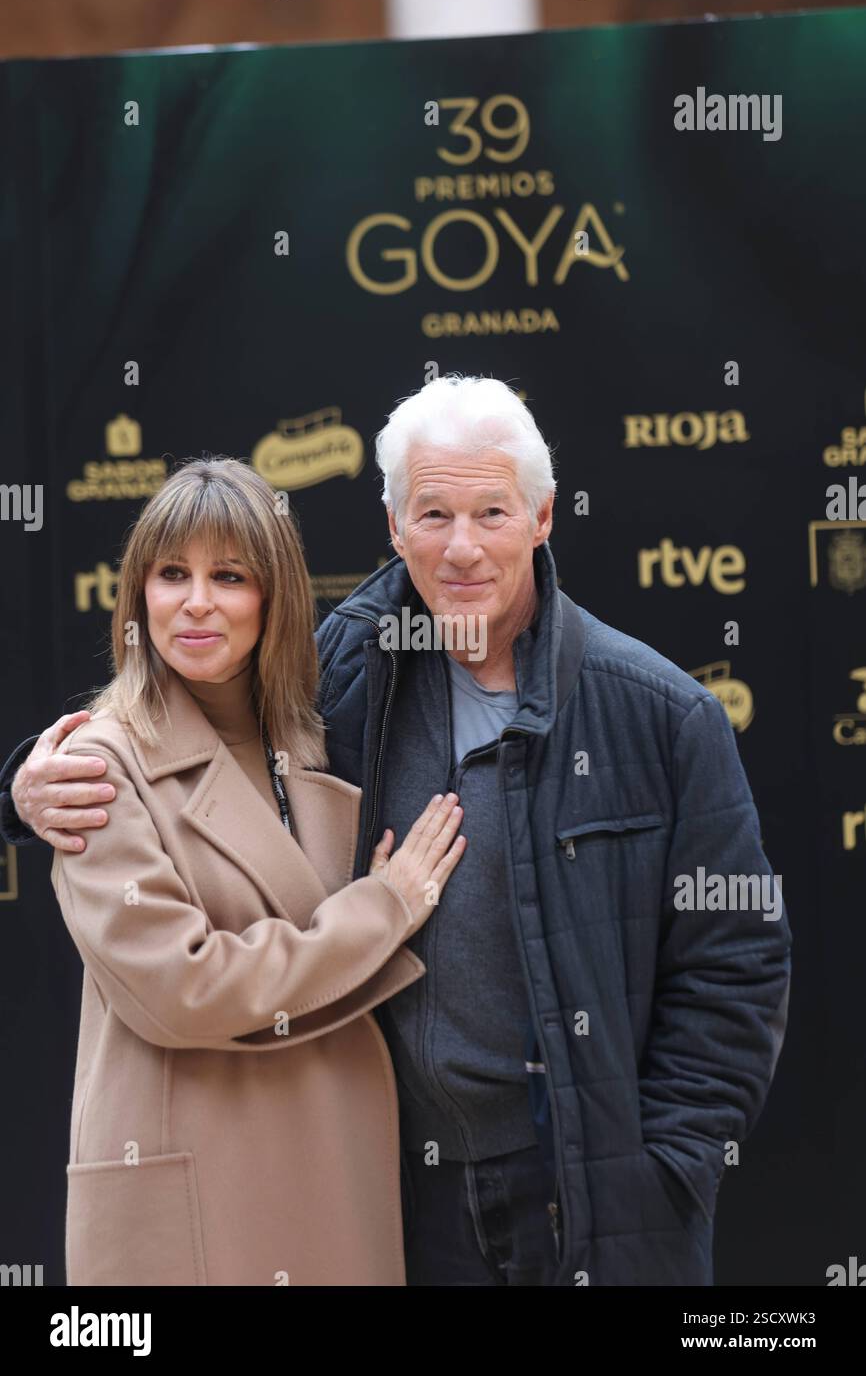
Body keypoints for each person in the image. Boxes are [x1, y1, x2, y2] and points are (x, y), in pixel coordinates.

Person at [2, 374, 792, 1286]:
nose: (462, 547)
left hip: (589, 1199)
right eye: (433, 515)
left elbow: (738, 964)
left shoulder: (660, 714)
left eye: (491, 513)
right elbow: (179, 735)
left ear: (542, 518)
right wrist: (22, 789)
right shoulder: (342, 675)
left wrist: (664, 1171)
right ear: (393, 526)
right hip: (399, 1198)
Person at [6, 455, 465, 1286]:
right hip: (201, 1201)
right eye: (170, 574)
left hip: (329, 1179)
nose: (196, 602)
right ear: (138, 595)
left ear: (273, 597)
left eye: (228, 576)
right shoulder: (98, 766)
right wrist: (383, 909)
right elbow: (184, 987)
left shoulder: (318, 743)